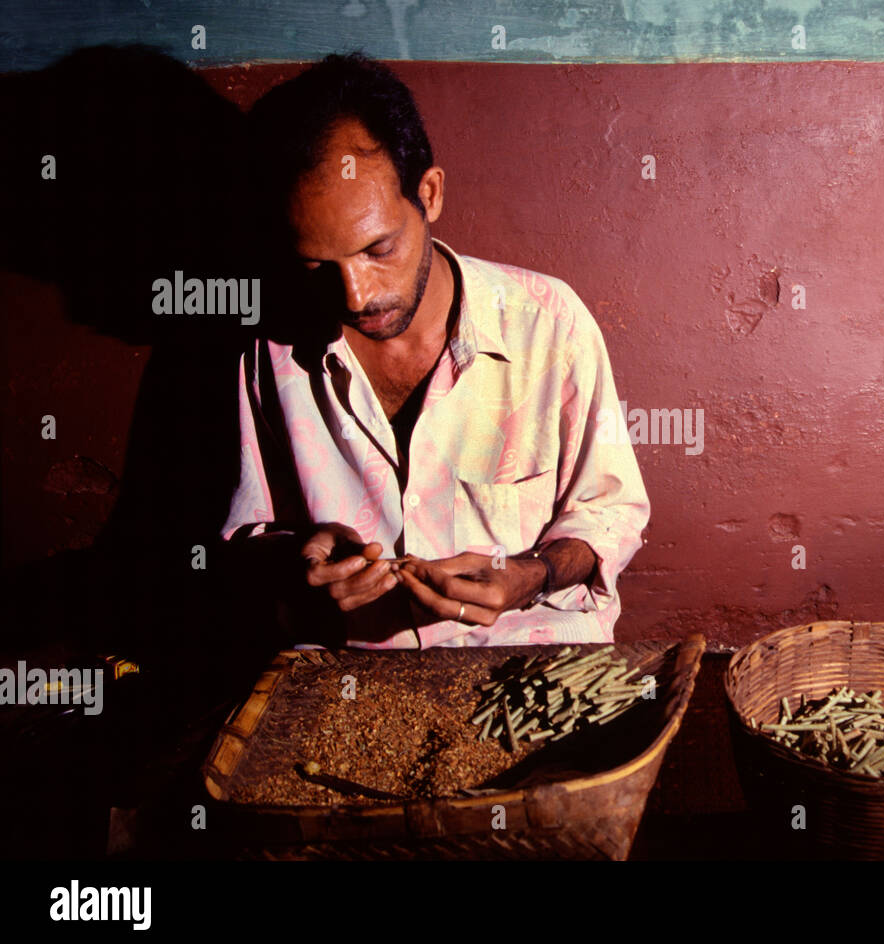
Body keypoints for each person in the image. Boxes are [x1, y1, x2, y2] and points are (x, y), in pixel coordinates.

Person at [220, 53, 649, 648]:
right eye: (317, 265)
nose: (355, 295)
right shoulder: (271, 349)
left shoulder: (547, 323)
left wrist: (533, 575)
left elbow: (611, 512)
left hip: (526, 664)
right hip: (350, 680)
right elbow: (246, 535)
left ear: (430, 194)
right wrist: (299, 556)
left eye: (378, 249)